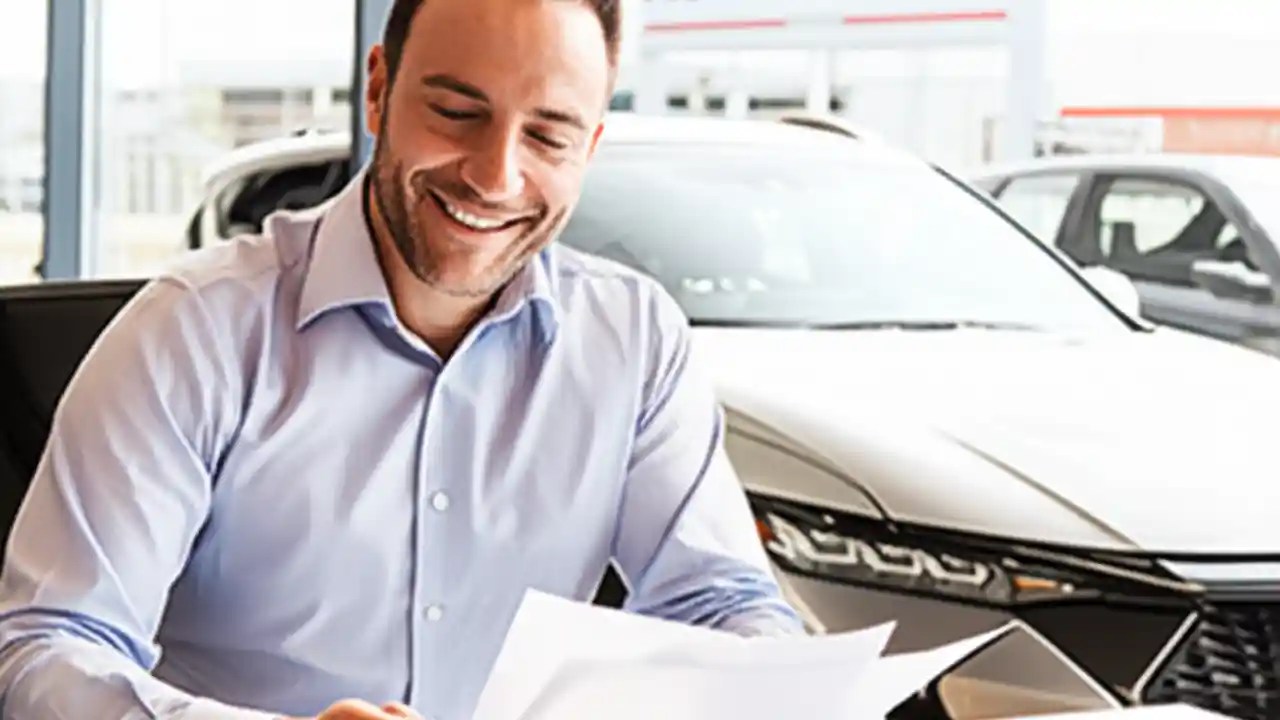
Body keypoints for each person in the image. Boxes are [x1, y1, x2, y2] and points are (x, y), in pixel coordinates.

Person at [0, 0, 803, 717]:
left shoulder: (634, 341)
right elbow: (49, 647)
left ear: (589, 145)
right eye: (457, 112)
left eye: (548, 136)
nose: (496, 175)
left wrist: (783, 683)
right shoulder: (196, 332)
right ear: (379, 90)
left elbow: (717, 602)